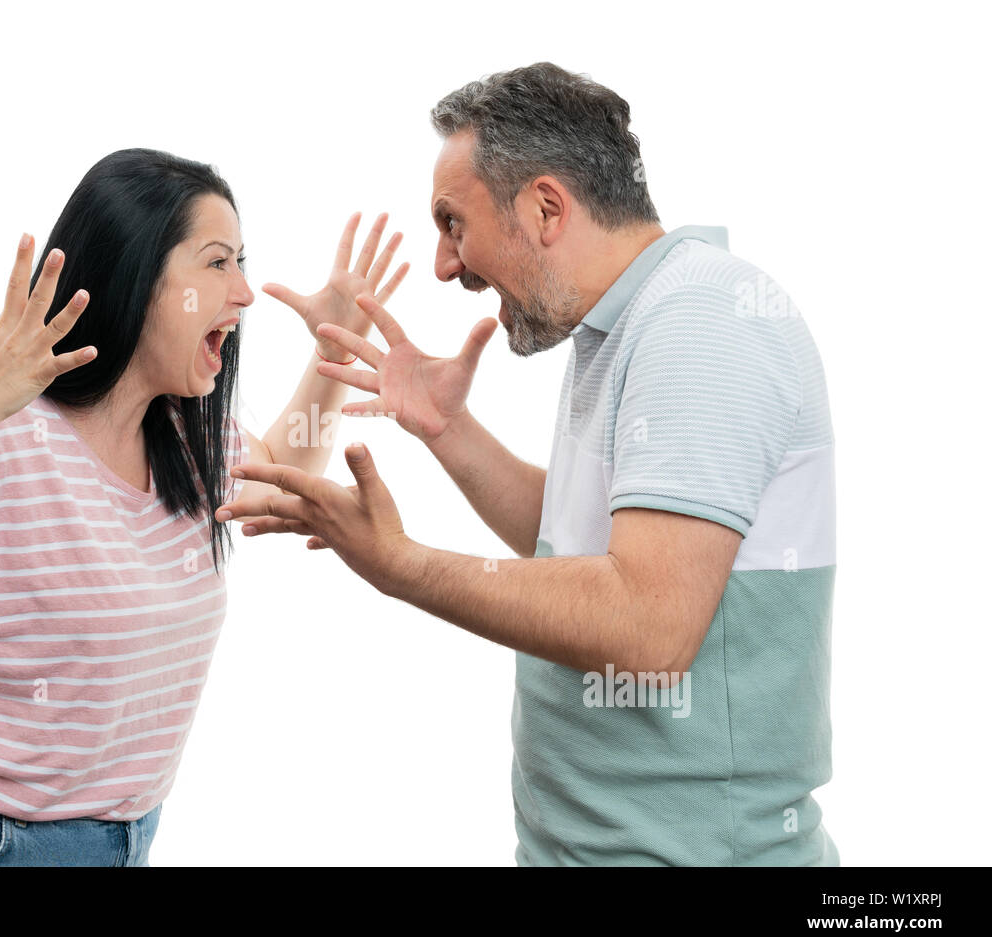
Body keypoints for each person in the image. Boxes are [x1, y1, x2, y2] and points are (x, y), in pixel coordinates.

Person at [218, 63, 839, 866]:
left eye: (453, 223)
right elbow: (590, 550)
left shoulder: (701, 322)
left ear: (546, 207)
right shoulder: (626, 323)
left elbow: (647, 623)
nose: (446, 265)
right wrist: (451, 431)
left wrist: (401, 565)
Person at [0, 147, 408, 866]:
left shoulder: (181, 433)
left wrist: (337, 350)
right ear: (136, 271)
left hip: (109, 843)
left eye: (242, 260)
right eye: (217, 263)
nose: (244, 293)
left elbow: (272, 490)